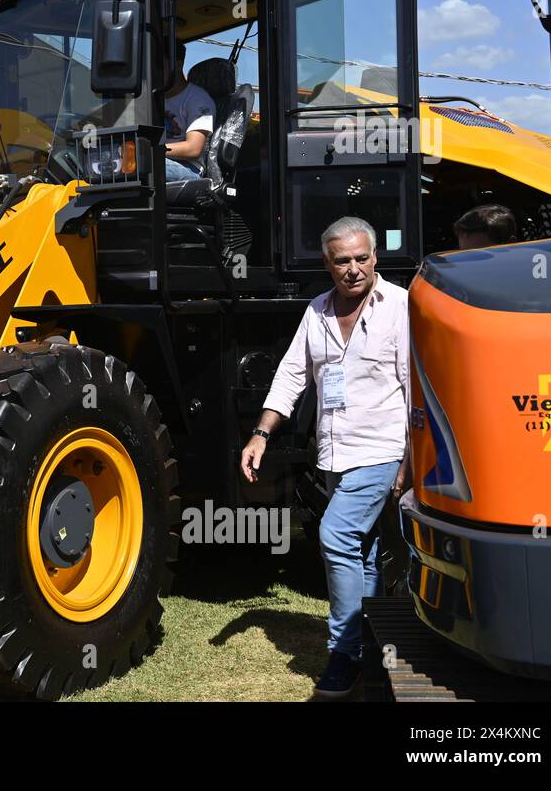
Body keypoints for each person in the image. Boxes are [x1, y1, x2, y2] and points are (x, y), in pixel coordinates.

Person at [239, 216, 409, 700]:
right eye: (342, 261)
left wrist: (410, 460)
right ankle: (373, 639)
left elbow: (416, 388)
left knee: (336, 535)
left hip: (382, 449)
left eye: (361, 258)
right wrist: (260, 434)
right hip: (334, 452)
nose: (353, 269)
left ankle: (344, 653)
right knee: (367, 550)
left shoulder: (400, 306)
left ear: (375, 257)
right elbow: (292, 375)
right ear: (327, 263)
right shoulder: (316, 312)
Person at [162, 42, 216, 183]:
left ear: (178, 65)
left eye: (158, 64)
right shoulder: (153, 97)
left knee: (140, 166)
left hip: (189, 168)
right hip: (160, 158)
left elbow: (193, 149)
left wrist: (152, 150)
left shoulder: (197, 98)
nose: (151, 70)